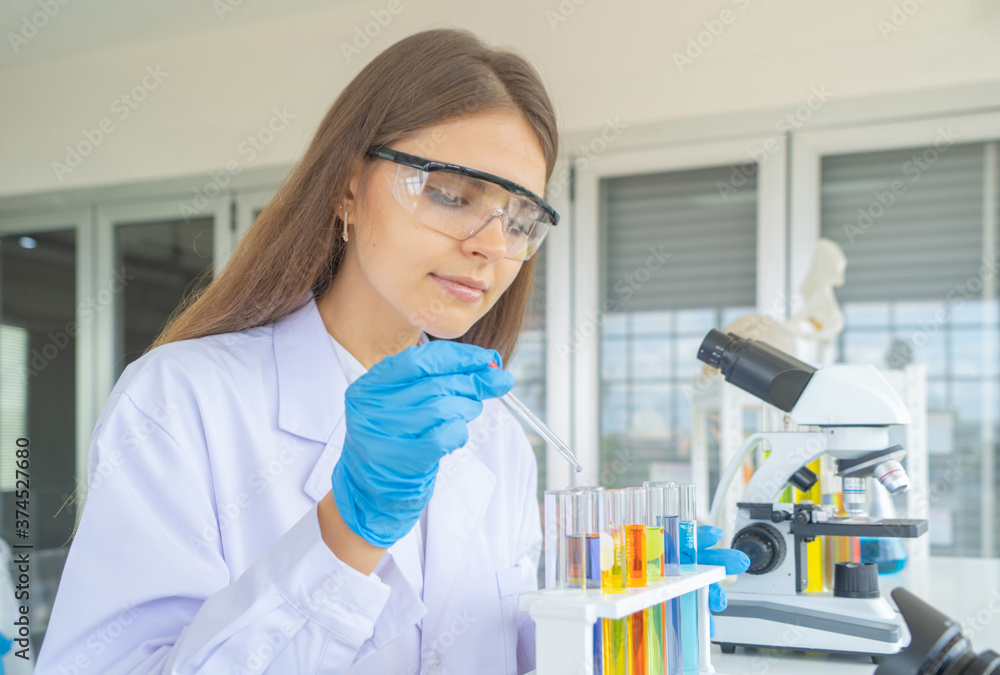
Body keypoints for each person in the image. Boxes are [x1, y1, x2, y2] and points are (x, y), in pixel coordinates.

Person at [35, 28, 746, 675]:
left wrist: (631, 616)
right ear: (348, 186)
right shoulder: (184, 399)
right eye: (450, 194)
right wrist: (348, 527)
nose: (491, 247)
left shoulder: (493, 435)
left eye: (520, 218)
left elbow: (502, 649)